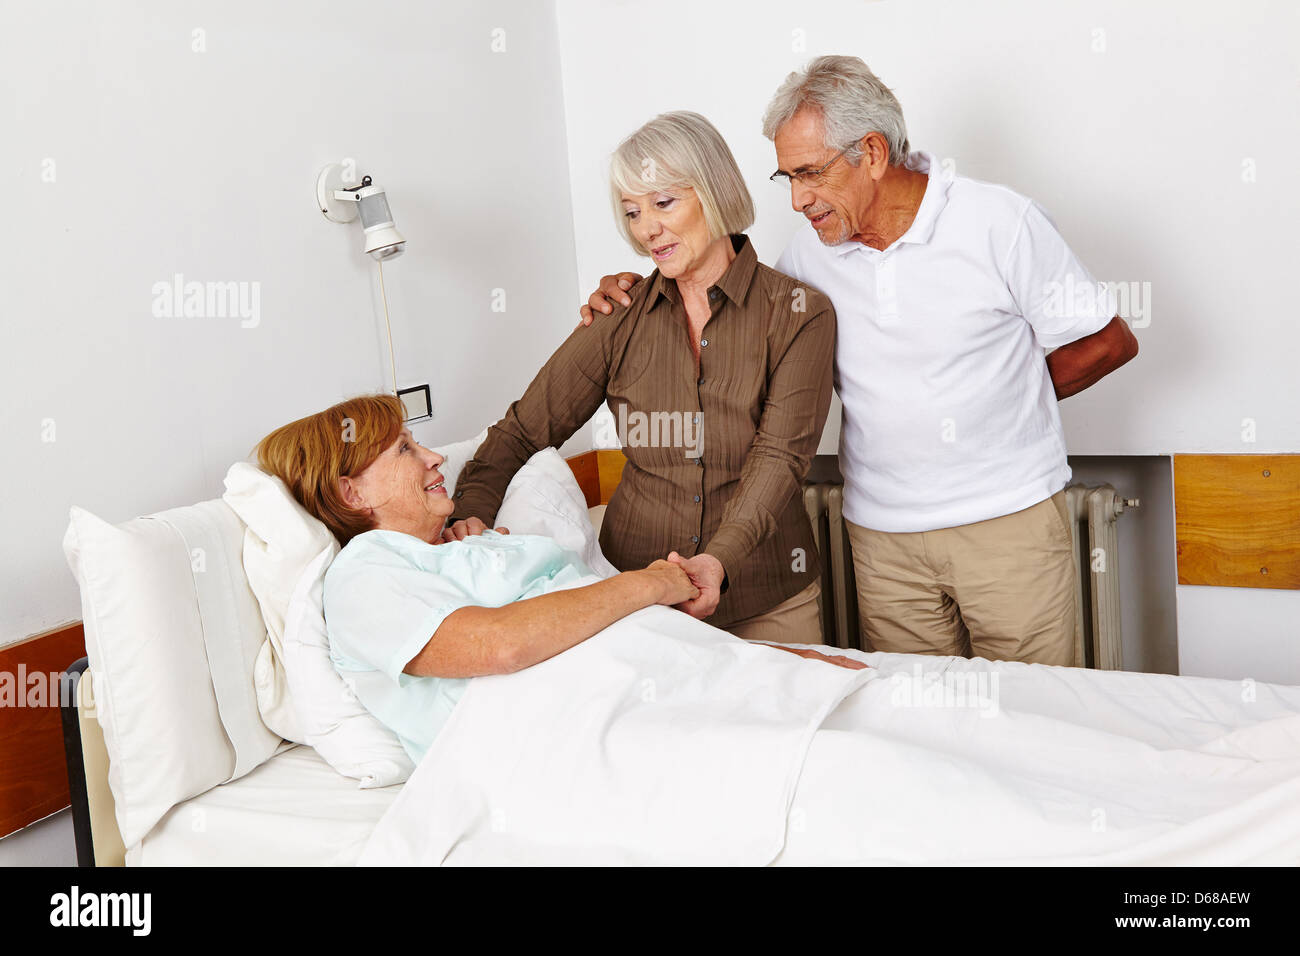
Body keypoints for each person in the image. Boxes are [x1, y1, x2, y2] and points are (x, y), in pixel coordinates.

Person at [579, 56, 1139, 667]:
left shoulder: (1000, 224)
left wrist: (1011, 397)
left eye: (810, 173)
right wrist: (630, 290)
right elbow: (721, 293)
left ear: (871, 152)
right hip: (880, 538)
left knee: (1037, 711)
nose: (796, 199)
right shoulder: (806, 260)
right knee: (911, 723)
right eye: (785, 178)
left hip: (1007, 523)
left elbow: (1108, 341)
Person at [254, 394, 864, 763]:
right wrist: (651, 583)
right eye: (406, 451)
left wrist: (774, 662)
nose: (436, 458)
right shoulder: (365, 576)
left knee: (859, 716)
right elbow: (501, 646)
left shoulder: (459, 552)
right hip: (589, 734)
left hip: (671, 682)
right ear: (351, 490)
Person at [447, 111, 837, 645]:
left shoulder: (798, 313)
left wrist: (715, 562)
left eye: (664, 202)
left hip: (769, 597)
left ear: (714, 190)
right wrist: (469, 514)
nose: (646, 228)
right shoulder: (617, 317)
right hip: (637, 599)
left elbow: (780, 458)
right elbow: (522, 430)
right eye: (632, 211)